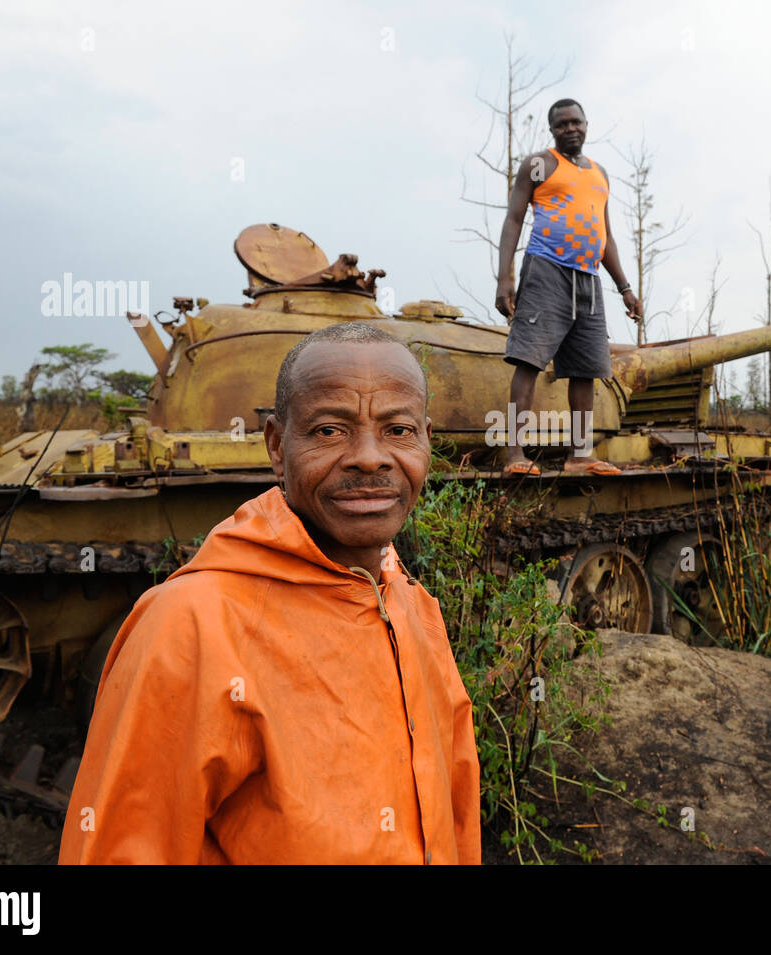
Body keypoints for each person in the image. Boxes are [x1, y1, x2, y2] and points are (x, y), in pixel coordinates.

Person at [59, 322, 481, 865]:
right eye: (330, 430)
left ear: (426, 439)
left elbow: (456, 812)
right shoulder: (190, 626)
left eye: (398, 430)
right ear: (278, 446)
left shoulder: (413, 607)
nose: (371, 458)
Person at [495, 97, 643, 476]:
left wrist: (625, 287)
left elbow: (606, 236)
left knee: (586, 369)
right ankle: (515, 455)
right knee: (528, 360)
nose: (570, 129)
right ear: (552, 131)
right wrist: (505, 277)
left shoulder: (599, 174)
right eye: (561, 125)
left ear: (586, 124)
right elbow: (513, 219)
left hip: (589, 280)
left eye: (576, 122)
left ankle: (580, 457)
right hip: (546, 270)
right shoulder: (539, 164)